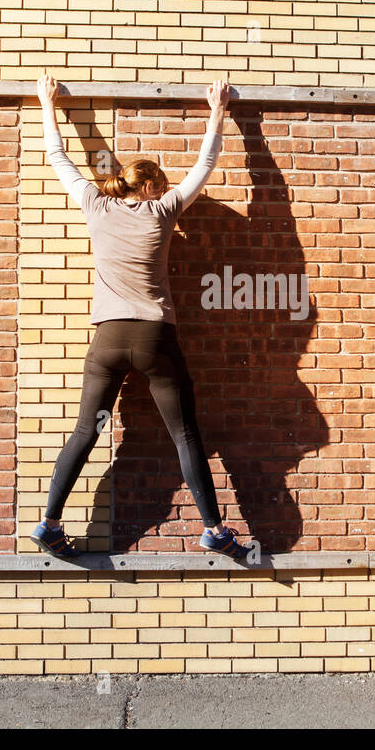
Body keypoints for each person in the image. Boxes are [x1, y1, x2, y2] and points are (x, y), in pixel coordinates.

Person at [31, 73, 250, 559]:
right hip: (154, 338)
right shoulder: (164, 210)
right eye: (163, 183)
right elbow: (206, 163)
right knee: (185, 433)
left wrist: (48, 104)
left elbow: (58, 157)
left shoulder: (95, 204)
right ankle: (213, 529)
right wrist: (218, 110)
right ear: (150, 185)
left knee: (87, 431)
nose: (169, 188)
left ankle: (49, 523)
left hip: (107, 340)